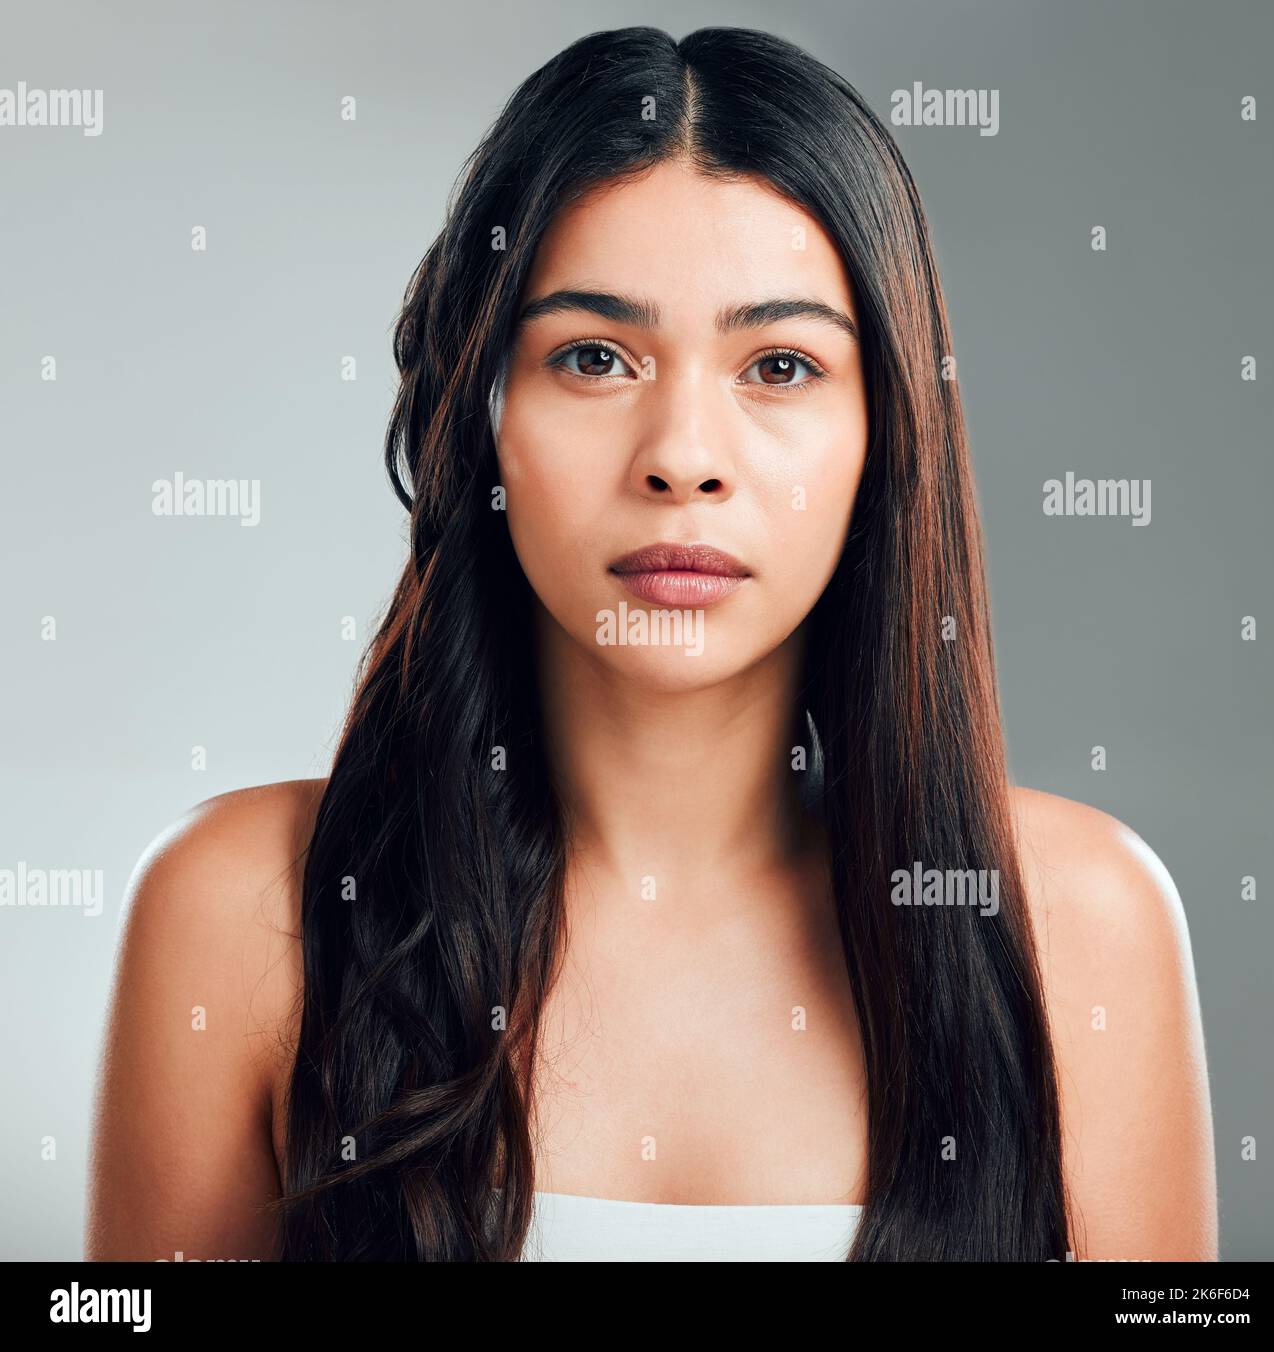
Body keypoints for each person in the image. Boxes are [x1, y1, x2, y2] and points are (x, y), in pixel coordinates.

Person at [86, 25, 1216, 1262]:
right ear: (481, 416)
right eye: (594, 356)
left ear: (885, 432)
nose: (683, 453)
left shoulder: (1081, 924)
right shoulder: (246, 912)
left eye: (779, 364)